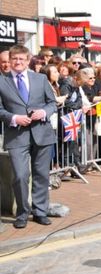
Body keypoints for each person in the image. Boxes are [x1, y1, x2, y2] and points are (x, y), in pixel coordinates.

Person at [0, 45, 58, 228]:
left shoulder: (40, 79)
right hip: (16, 136)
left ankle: (40, 211)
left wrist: (43, 112)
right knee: (20, 175)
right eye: (14, 59)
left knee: (41, 175)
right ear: (9, 60)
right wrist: (14, 118)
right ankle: (22, 213)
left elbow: (52, 103)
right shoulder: (2, 81)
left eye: (21, 59)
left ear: (28, 60)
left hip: (42, 133)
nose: (18, 62)